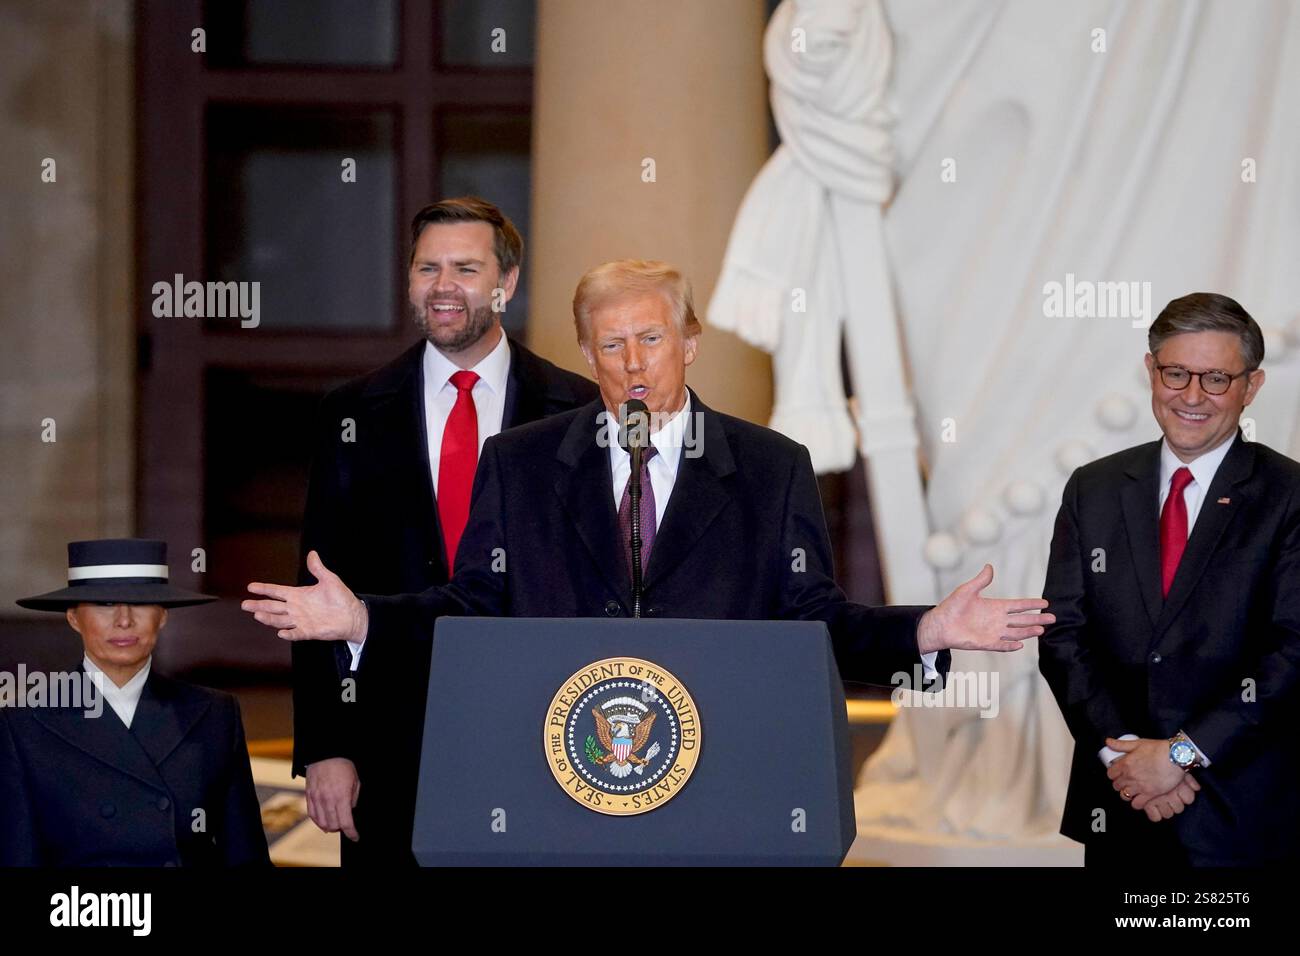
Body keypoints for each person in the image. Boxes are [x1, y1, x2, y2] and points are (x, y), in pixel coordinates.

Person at [246, 260, 1053, 820]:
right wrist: (362, 623)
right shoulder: (521, 464)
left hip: (718, 781)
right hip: (553, 782)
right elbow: (473, 607)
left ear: (690, 341)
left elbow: (813, 623)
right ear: (587, 354)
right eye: (610, 344)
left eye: (652, 339)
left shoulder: (771, 468)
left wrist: (924, 631)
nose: (633, 364)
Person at [293, 196, 599, 866]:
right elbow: (318, 589)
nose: (443, 286)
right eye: (427, 268)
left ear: (506, 284)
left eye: (465, 267)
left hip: (543, 729)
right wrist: (326, 745)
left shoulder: (576, 409)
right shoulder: (353, 413)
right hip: (389, 737)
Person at [1039, 293, 1300, 866]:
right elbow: (1064, 637)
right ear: (1150, 371)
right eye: (1176, 372)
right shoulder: (1094, 487)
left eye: (1215, 378)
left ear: (1251, 387)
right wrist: (1127, 760)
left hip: (1243, 817)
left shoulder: (1289, 496)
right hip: (1122, 803)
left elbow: (1293, 654)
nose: (1191, 396)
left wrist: (1182, 754)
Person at [1, 539, 269, 867]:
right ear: (73, 618)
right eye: (105, 604)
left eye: (140, 603)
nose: (124, 620)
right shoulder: (23, 723)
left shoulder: (215, 713)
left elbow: (245, 854)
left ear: (163, 616)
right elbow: (17, 857)